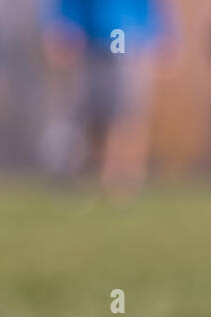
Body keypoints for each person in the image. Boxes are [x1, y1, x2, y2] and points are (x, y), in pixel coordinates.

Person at [41, 0, 166, 193]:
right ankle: (88, 174)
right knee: (89, 116)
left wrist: (164, 36)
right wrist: (64, 28)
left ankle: (122, 178)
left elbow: (156, 6)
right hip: (91, 46)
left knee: (127, 114)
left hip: (130, 42)